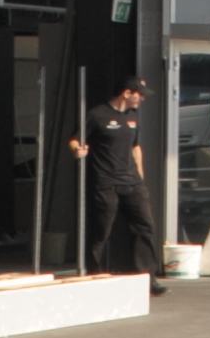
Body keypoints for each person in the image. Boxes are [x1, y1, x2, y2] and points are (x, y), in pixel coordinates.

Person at [67, 77, 163, 291]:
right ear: (127, 93)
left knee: (145, 226)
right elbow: (75, 139)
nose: (143, 98)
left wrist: (140, 176)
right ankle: (95, 274)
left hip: (132, 183)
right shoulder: (96, 115)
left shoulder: (133, 117)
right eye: (140, 94)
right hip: (105, 183)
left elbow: (135, 146)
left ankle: (147, 277)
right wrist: (77, 150)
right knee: (101, 230)